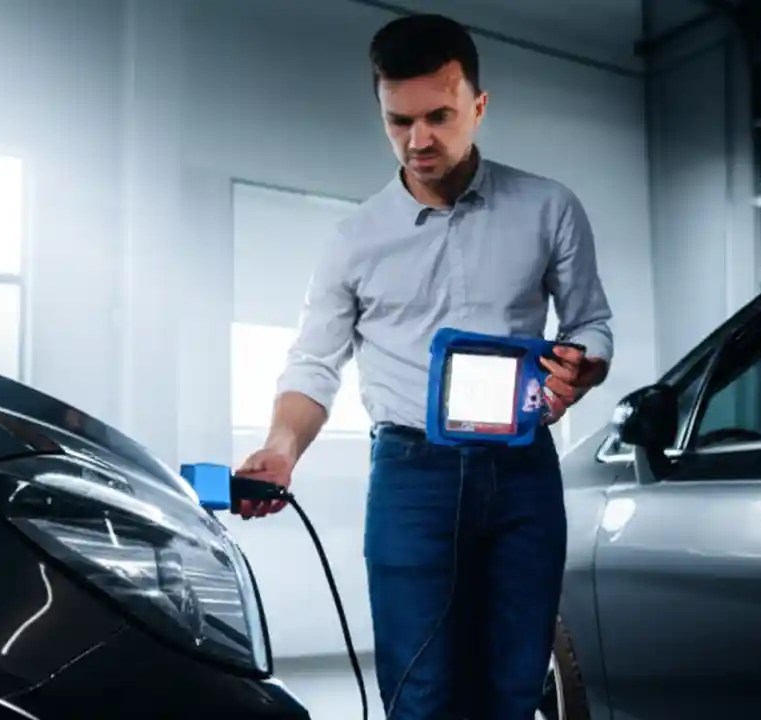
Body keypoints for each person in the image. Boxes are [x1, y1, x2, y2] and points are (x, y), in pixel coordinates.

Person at [234, 13, 613, 720]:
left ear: (478, 106)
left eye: (438, 116)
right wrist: (281, 449)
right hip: (412, 479)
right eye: (398, 120)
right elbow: (314, 363)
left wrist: (580, 368)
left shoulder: (549, 208)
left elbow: (591, 324)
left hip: (522, 474)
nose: (418, 140)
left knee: (513, 689)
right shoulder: (353, 241)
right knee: (421, 697)